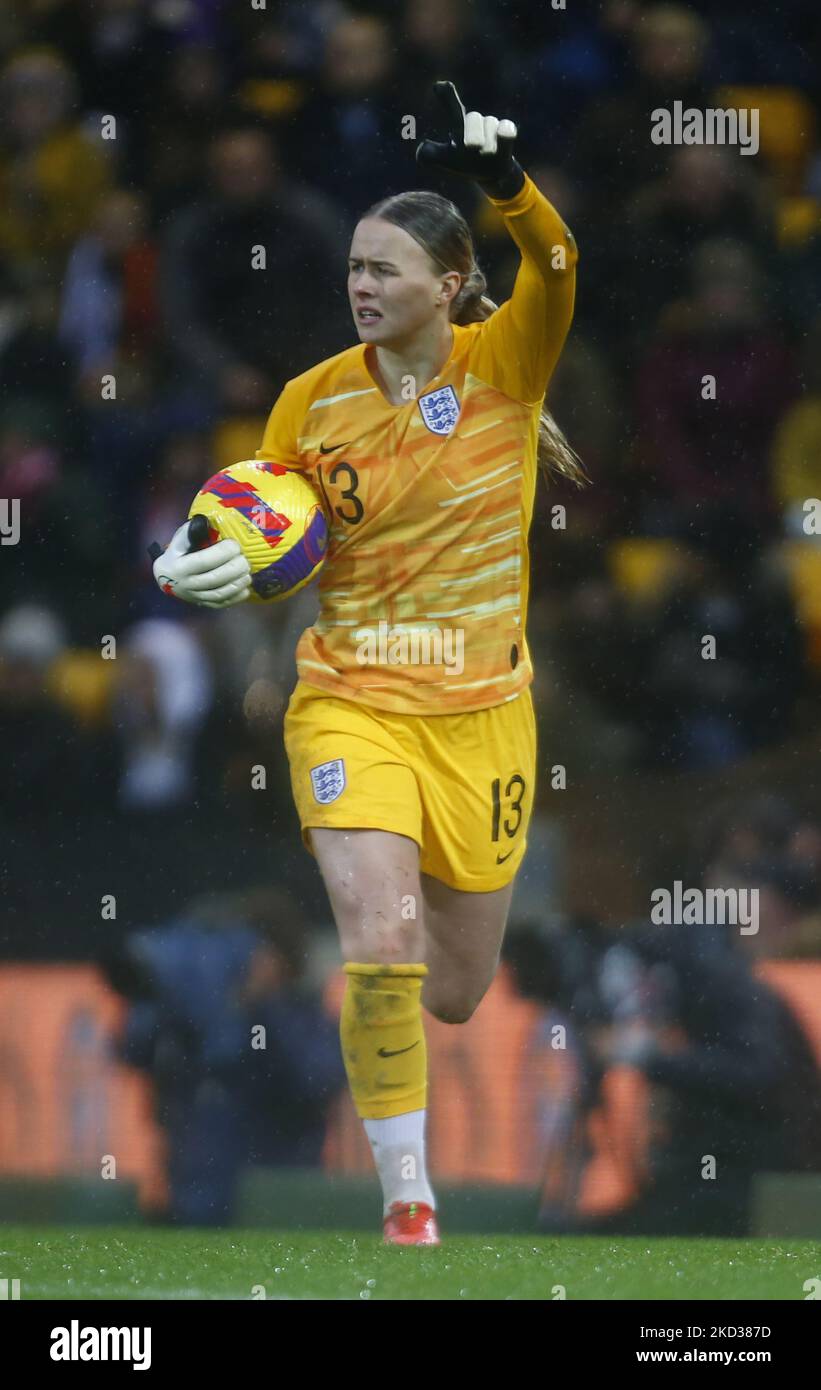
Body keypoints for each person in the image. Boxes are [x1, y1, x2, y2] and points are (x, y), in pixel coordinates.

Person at [151, 82, 582, 1244]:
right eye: (354, 265)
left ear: (448, 287)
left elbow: (553, 265)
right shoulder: (308, 400)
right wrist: (204, 555)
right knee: (377, 937)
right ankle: (409, 1203)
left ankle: (405, 1168)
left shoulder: (503, 366)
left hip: (484, 713)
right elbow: (263, 524)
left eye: (386, 270)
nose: (361, 284)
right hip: (351, 701)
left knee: (453, 989)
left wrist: (505, 183)